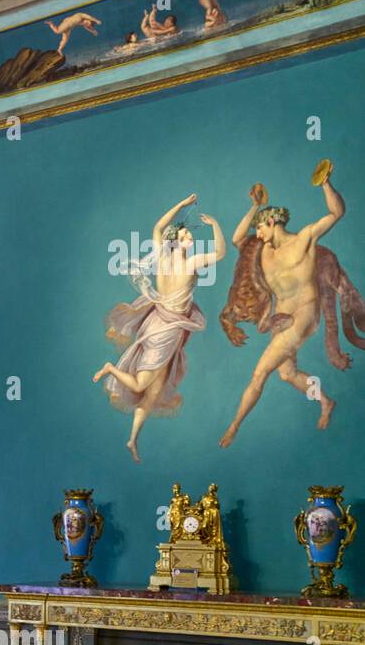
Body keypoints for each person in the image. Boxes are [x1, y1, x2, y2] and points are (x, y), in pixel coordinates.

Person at [219, 170, 347, 446]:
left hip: (305, 312)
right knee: (286, 373)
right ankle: (326, 401)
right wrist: (254, 206)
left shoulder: (304, 239)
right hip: (282, 318)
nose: (257, 232)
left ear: (272, 221)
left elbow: (336, 212)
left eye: (260, 226)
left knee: (260, 372)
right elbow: (235, 239)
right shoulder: (263, 251)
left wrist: (325, 184)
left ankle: (234, 427)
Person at [94, 194, 226, 462]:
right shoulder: (190, 262)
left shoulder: (163, 259)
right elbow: (221, 252)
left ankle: (132, 439)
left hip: (165, 324)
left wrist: (180, 206)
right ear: (176, 241)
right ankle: (110, 368)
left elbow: (156, 228)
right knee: (143, 383)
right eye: (187, 236)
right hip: (167, 329)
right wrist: (214, 225)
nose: (191, 238)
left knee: (153, 392)